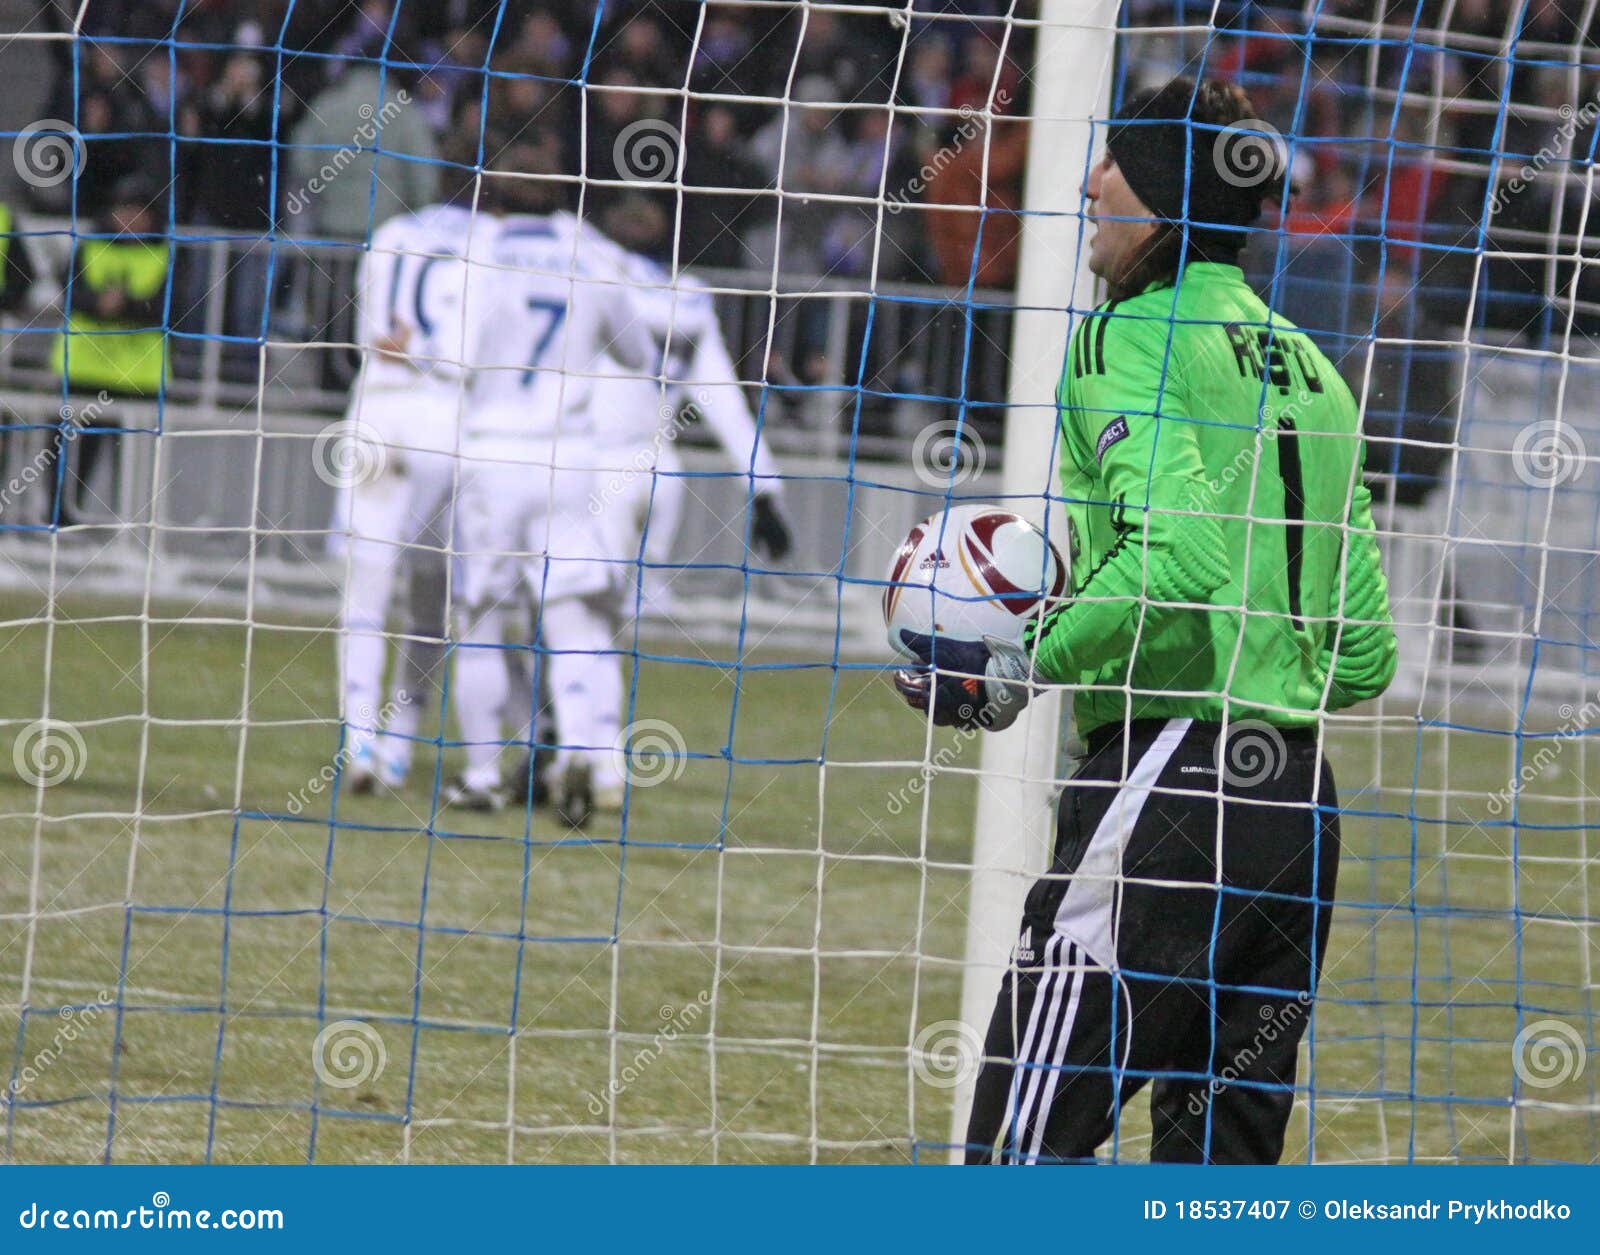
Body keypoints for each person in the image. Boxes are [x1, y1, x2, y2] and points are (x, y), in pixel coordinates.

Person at [893, 78, 1397, 1164]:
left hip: (1168, 788)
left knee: (1017, 1160)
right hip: (1296, 808)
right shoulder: (1316, 372)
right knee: (1214, 1185)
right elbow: (1362, 654)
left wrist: (1021, 662)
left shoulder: (1124, 339)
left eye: (1112, 162)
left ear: (1160, 197)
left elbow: (1176, 556)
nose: (1087, 182)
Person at [448, 137, 655, 824]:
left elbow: (448, 356)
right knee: (573, 622)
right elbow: (638, 352)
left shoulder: (473, 256)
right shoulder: (591, 257)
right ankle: (584, 755)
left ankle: (481, 775)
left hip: (493, 453)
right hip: (568, 462)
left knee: (479, 620)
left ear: (494, 197)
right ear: (565, 195)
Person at [332, 146, 483, 795]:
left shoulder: (390, 235)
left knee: (364, 597)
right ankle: (400, 746)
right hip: (441, 422)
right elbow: (472, 355)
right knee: (432, 602)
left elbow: (372, 333)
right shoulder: (490, 246)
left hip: (373, 412)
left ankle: (358, 742)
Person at [47, 179, 170, 526]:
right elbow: (69, 291)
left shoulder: (165, 251)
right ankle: (59, 519)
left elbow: (172, 306)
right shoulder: (88, 245)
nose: (130, 219)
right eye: (124, 211)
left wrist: (125, 305)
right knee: (66, 453)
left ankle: (131, 528)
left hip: (136, 374)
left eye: (138, 212)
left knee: (133, 461)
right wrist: (101, 304)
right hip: (83, 368)